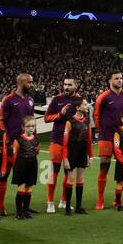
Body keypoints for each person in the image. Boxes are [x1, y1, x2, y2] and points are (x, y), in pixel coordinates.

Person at [0, 74, 35, 215]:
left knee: (26, 176)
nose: (31, 85)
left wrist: (34, 140)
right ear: (21, 82)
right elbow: (2, 121)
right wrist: (8, 141)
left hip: (27, 145)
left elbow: (31, 121)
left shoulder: (30, 100)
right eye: (29, 82)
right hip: (12, 145)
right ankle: (1, 207)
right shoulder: (8, 100)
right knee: (4, 174)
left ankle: (25, 207)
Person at [43, 77, 81, 213]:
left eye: (69, 85)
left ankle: (64, 200)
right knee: (53, 172)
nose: (66, 87)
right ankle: (50, 202)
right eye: (65, 84)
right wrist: (60, 114)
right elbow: (46, 118)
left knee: (69, 172)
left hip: (72, 142)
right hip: (57, 140)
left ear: (75, 86)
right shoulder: (57, 99)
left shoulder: (79, 101)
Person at [63, 102, 93, 215]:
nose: (87, 106)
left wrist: (91, 156)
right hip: (72, 151)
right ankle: (67, 207)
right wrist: (65, 158)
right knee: (70, 179)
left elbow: (89, 140)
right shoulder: (70, 122)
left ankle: (79, 207)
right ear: (78, 107)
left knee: (80, 179)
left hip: (82, 151)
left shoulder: (87, 121)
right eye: (84, 104)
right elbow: (65, 142)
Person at [11, 116, 41, 219]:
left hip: (32, 164)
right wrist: (15, 168)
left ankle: (26, 210)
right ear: (23, 127)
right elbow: (14, 156)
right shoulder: (18, 140)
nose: (31, 128)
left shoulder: (36, 140)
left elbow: (37, 151)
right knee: (21, 188)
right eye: (28, 126)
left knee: (29, 188)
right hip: (21, 165)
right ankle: (19, 212)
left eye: (33, 126)